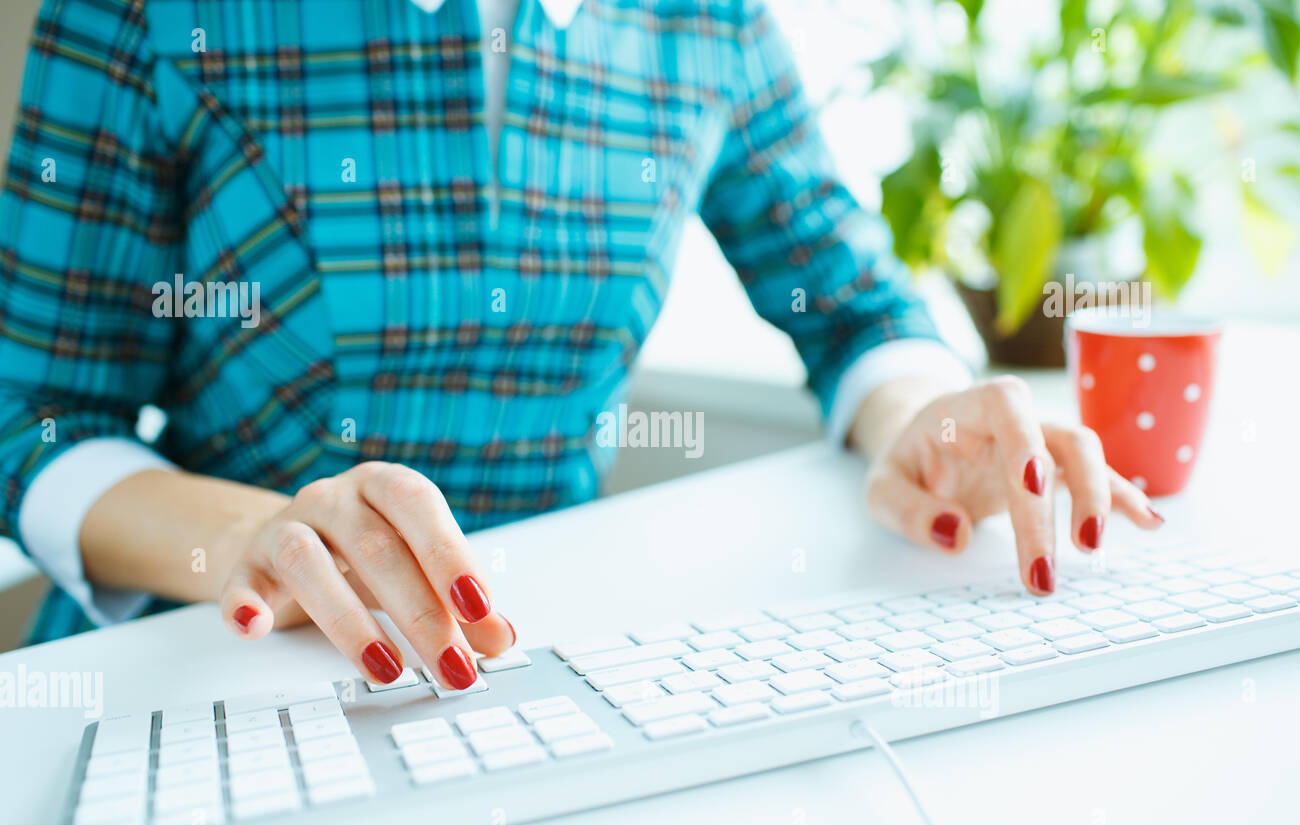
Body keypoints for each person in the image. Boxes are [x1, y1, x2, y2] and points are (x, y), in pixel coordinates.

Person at [0, 0, 1160, 689]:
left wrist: (918, 412)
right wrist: (255, 534)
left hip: (539, 674)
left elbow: (852, 303)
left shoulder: (707, 22)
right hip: (213, 661)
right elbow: (32, 418)